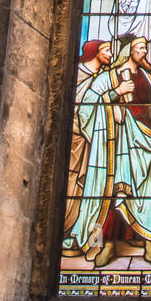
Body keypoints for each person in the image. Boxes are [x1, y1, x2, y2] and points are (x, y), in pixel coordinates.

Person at [64, 35, 151, 270]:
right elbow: (86, 106)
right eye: (140, 48)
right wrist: (114, 93)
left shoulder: (149, 78)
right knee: (115, 194)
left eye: (145, 48)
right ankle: (108, 245)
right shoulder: (107, 78)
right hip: (115, 145)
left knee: (148, 199)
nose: (144, 52)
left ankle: (150, 246)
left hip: (146, 146)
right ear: (128, 51)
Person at [65, 40, 112, 234]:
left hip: (91, 139)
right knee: (71, 181)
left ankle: (80, 228)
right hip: (76, 136)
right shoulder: (77, 74)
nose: (111, 54)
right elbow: (77, 106)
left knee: (86, 185)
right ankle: (67, 226)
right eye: (107, 50)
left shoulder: (100, 76)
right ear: (95, 52)